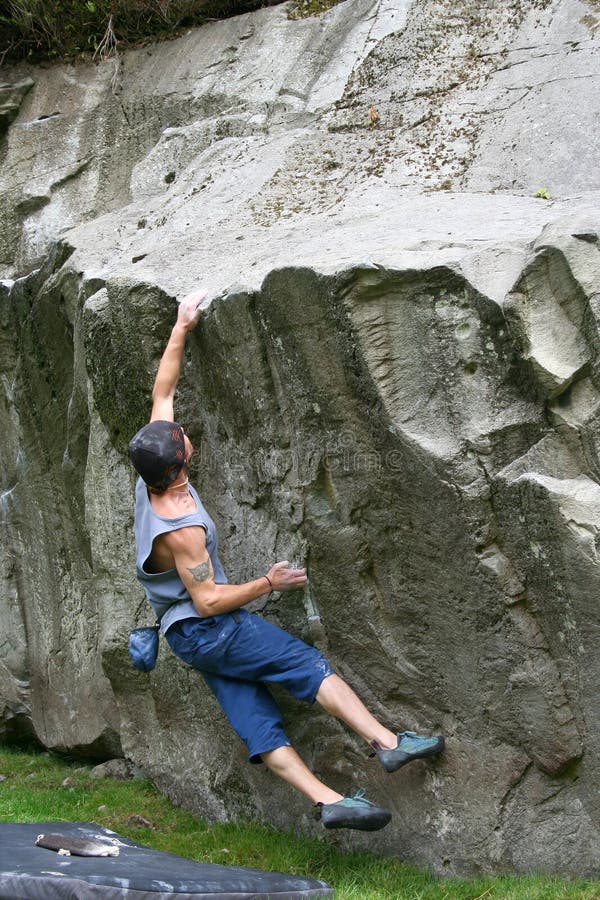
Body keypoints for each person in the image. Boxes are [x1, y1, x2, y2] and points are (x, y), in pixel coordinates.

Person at [128, 288, 444, 832]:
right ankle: (388, 742)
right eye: (182, 436)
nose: (181, 428)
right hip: (209, 629)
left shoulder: (150, 471)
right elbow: (207, 600)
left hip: (185, 639)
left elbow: (164, 391)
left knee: (254, 720)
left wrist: (182, 327)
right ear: (179, 464)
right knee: (306, 667)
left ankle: (328, 801)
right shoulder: (181, 531)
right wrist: (268, 583)